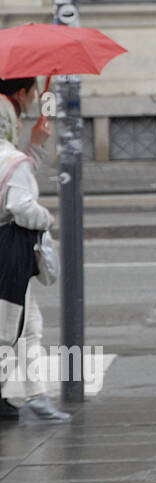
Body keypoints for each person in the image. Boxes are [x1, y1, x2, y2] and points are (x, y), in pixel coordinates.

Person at [0, 77, 70, 423]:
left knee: (18, 325)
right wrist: (47, 218)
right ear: (21, 95)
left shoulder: (11, 156)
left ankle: (28, 395)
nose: (31, 101)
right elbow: (21, 206)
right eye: (31, 93)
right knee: (22, 326)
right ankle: (34, 395)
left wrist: (35, 148)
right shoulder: (11, 158)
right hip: (9, 252)